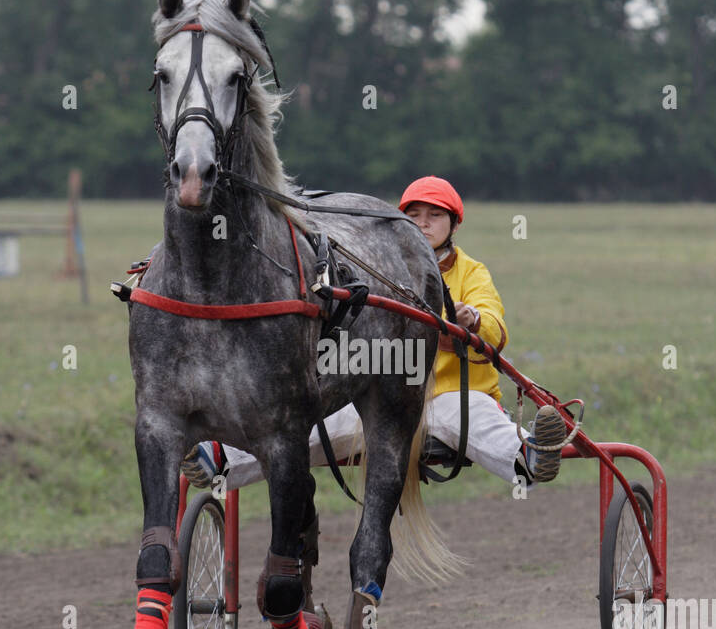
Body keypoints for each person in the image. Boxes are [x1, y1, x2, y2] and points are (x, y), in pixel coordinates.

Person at [180, 176, 566, 491]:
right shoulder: (383, 271)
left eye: (435, 215)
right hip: (380, 398)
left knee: (475, 420)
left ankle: (527, 457)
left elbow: (496, 332)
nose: (423, 223)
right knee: (312, 426)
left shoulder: (472, 273)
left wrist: (474, 322)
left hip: (449, 395)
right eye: (413, 214)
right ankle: (220, 461)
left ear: (455, 224)